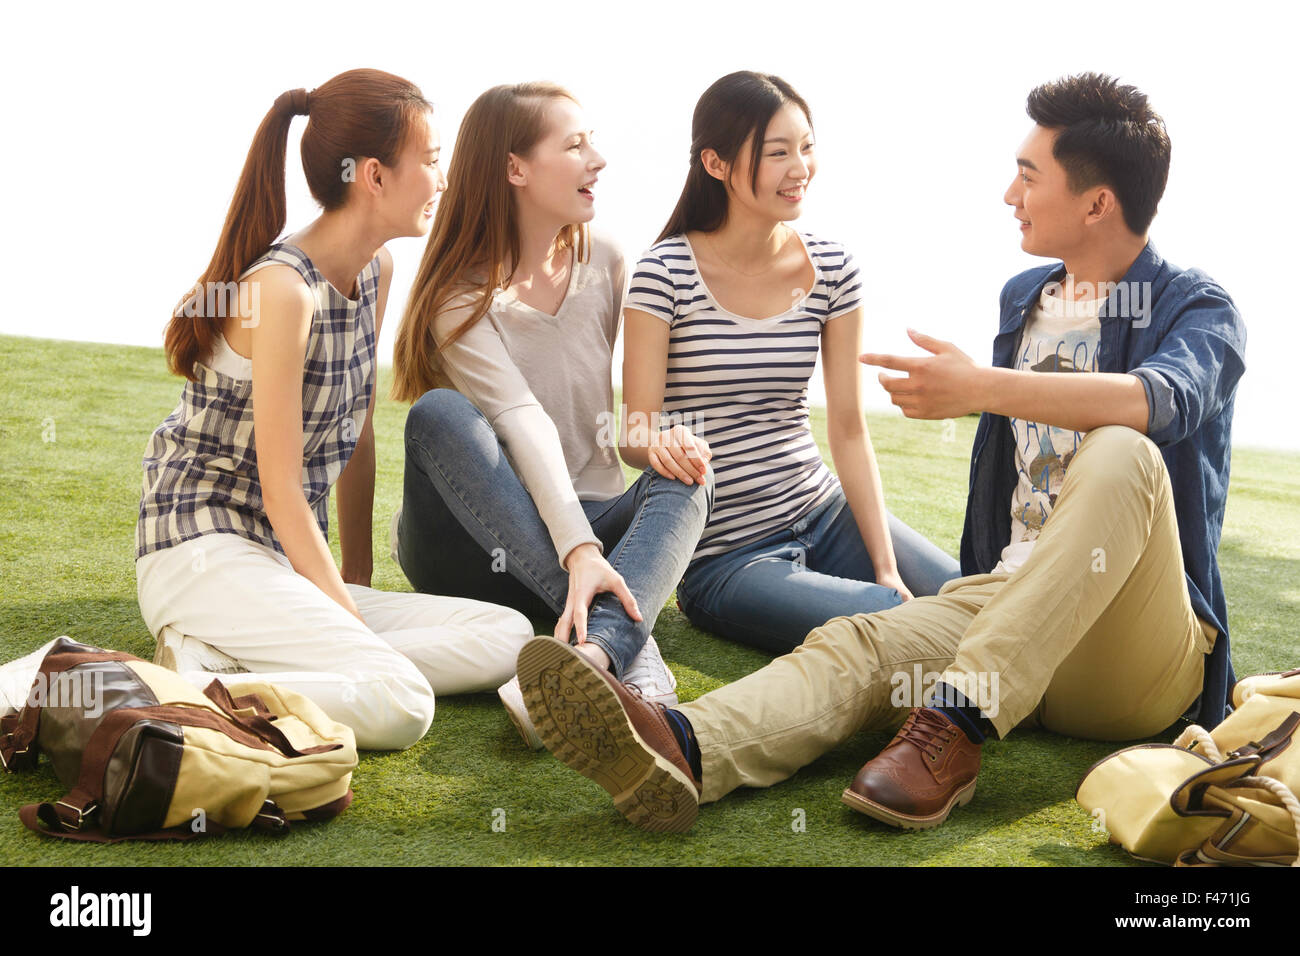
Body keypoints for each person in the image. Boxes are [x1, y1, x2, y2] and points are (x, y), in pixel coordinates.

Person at [516, 72, 1245, 833]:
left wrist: (981, 387)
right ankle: (686, 746)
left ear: (1097, 202)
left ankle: (954, 728)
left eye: (1028, 177)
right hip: (1016, 621)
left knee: (1123, 452)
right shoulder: (1026, 298)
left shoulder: (1198, 307)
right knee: (861, 641)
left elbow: (1160, 401)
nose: (1008, 194)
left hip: (1134, 659)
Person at [132, 69, 533, 752]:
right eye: (431, 163)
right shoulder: (283, 291)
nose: (441, 181)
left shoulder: (375, 271)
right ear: (373, 176)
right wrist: (349, 627)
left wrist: (356, 578)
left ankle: (222, 663)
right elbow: (284, 490)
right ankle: (162, 693)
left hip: (280, 562)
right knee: (401, 700)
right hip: (200, 549)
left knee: (510, 636)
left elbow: (357, 432)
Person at [389, 82, 712, 747]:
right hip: (471, 549)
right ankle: (626, 644)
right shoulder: (462, 296)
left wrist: (661, 446)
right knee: (441, 413)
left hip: (589, 519)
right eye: (575, 145)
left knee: (687, 475)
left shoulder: (608, 261)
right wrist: (583, 550)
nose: (597, 160)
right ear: (515, 169)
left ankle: (593, 657)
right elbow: (521, 416)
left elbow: (632, 421)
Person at [621, 71, 960, 655]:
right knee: (894, 626)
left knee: (971, 598)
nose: (800, 167)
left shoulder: (832, 268)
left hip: (823, 512)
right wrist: (663, 442)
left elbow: (849, 428)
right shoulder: (664, 274)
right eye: (777, 153)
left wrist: (884, 564)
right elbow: (634, 433)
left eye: (806, 146)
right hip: (728, 559)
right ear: (716, 163)